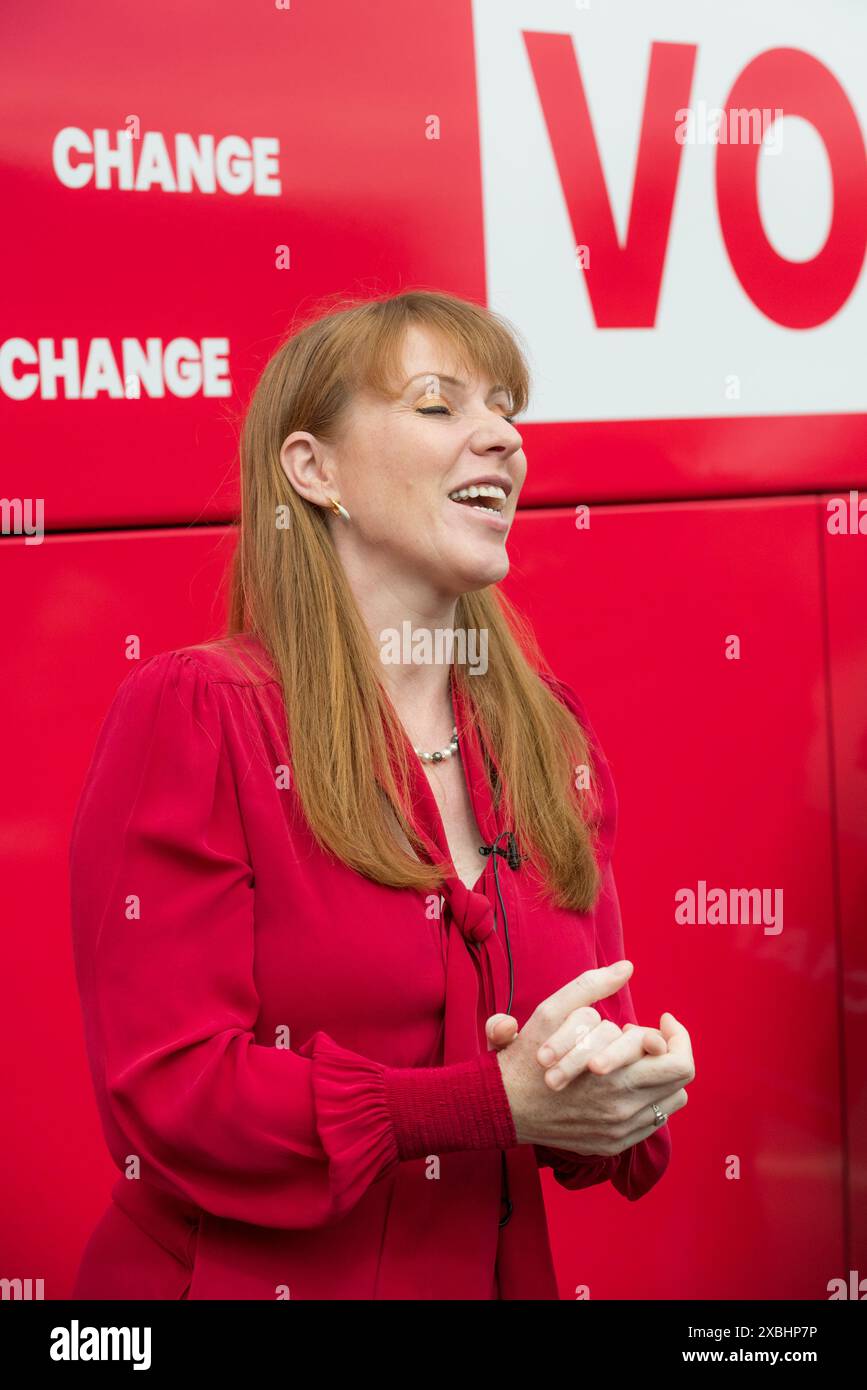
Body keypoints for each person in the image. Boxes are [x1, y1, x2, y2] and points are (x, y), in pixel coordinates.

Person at [70, 288, 694, 1300]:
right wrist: (482, 1105)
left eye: (506, 409)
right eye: (439, 406)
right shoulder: (200, 713)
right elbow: (171, 1097)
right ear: (313, 470)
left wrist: (625, 1095)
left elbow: (569, 1077)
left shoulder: (546, 738)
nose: (500, 436)